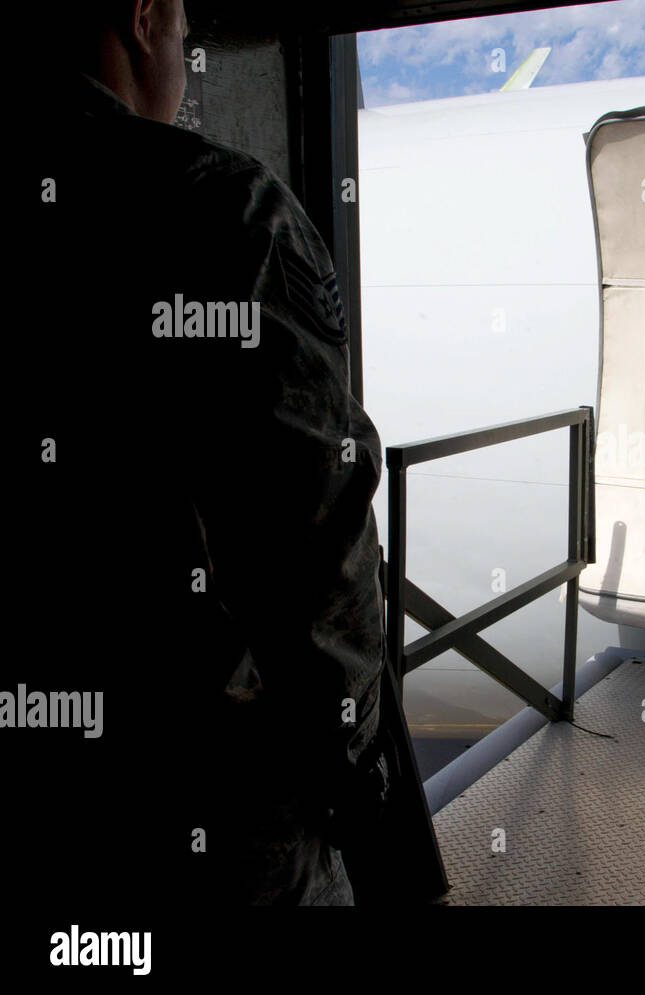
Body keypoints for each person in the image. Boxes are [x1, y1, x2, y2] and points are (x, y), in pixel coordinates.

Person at [19, 0, 387, 904]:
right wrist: (353, 763)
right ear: (142, 18)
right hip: (207, 792)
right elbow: (317, 530)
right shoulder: (222, 208)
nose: (184, 55)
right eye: (184, 30)